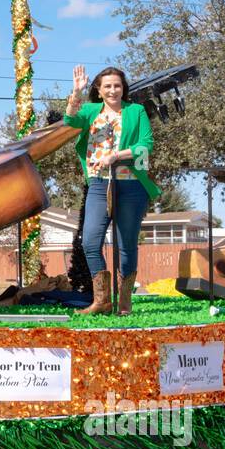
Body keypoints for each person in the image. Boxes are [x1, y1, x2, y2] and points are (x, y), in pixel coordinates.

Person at [63, 64, 161, 315]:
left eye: (117, 85)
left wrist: (116, 156)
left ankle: (124, 303)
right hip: (98, 184)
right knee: (90, 241)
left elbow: (146, 146)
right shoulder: (90, 111)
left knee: (126, 244)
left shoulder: (136, 111)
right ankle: (103, 300)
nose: (113, 90)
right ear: (98, 88)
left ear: (123, 88)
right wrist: (76, 92)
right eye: (107, 86)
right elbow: (69, 119)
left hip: (131, 185)